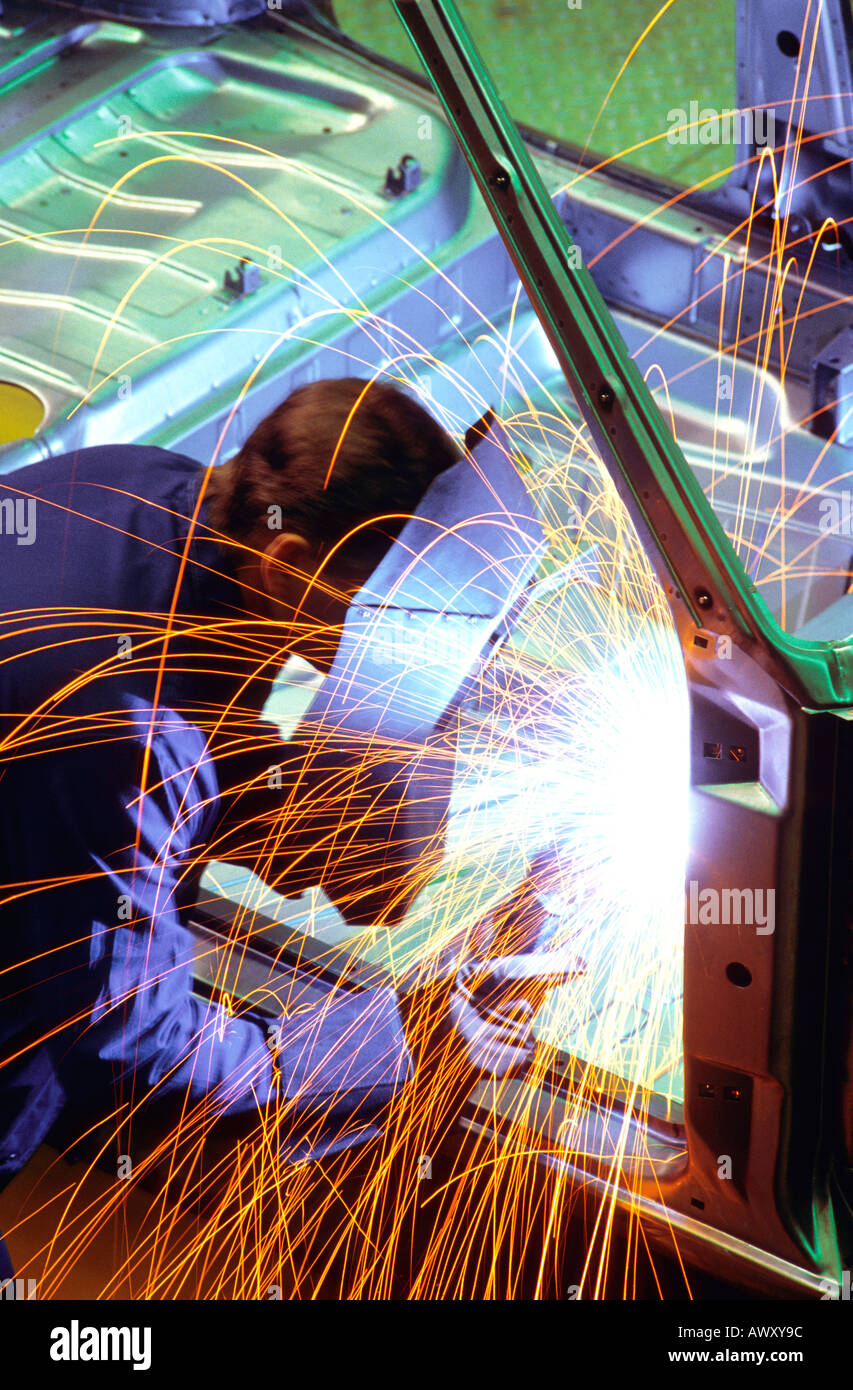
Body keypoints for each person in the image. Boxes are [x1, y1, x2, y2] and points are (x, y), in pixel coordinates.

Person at [0, 377, 536, 1204]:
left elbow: (227, 750)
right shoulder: (125, 730)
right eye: (386, 618)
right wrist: (400, 1043)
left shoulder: (152, 487)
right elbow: (139, 1049)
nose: (400, 647)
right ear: (287, 572)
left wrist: (375, 822)